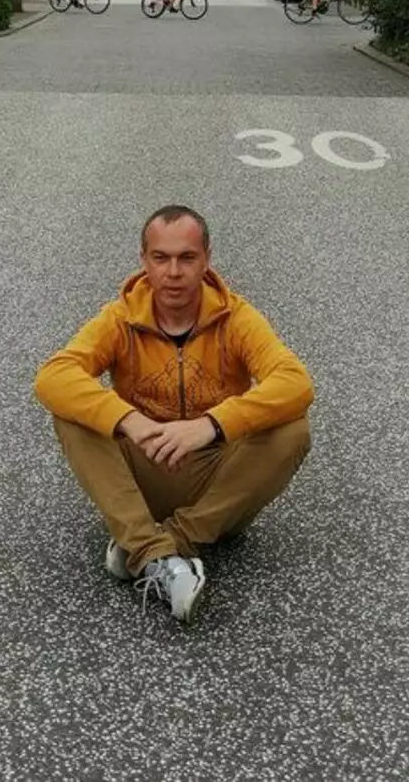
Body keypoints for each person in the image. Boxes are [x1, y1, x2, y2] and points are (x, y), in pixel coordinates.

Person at [34, 206, 313, 625]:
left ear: (206, 260)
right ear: (144, 262)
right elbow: (53, 375)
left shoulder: (235, 317)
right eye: (161, 258)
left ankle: (155, 545)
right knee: (71, 413)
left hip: (217, 485)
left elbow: (295, 382)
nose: (174, 272)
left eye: (187, 258)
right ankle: (156, 552)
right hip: (144, 472)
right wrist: (132, 420)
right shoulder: (121, 318)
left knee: (292, 428)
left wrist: (210, 425)